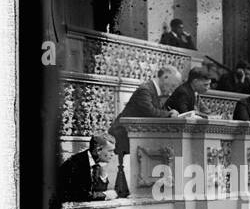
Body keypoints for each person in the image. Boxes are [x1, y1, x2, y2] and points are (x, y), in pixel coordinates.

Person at [108, 65, 183, 194]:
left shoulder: (154, 91)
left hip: (134, 133)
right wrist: (168, 114)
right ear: (165, 77)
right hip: (122, 133)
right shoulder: (145, 89)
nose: (171, 91)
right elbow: (149, 111)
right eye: (172, 86)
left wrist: (168, 112)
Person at [58, 133, 116, 202]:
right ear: (98, 150)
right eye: (110, 151)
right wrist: (105, 195)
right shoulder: (78, 163)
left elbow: (97, 190)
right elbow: (81, 195)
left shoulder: (96, 163)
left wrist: (102, 174)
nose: (113, 154)